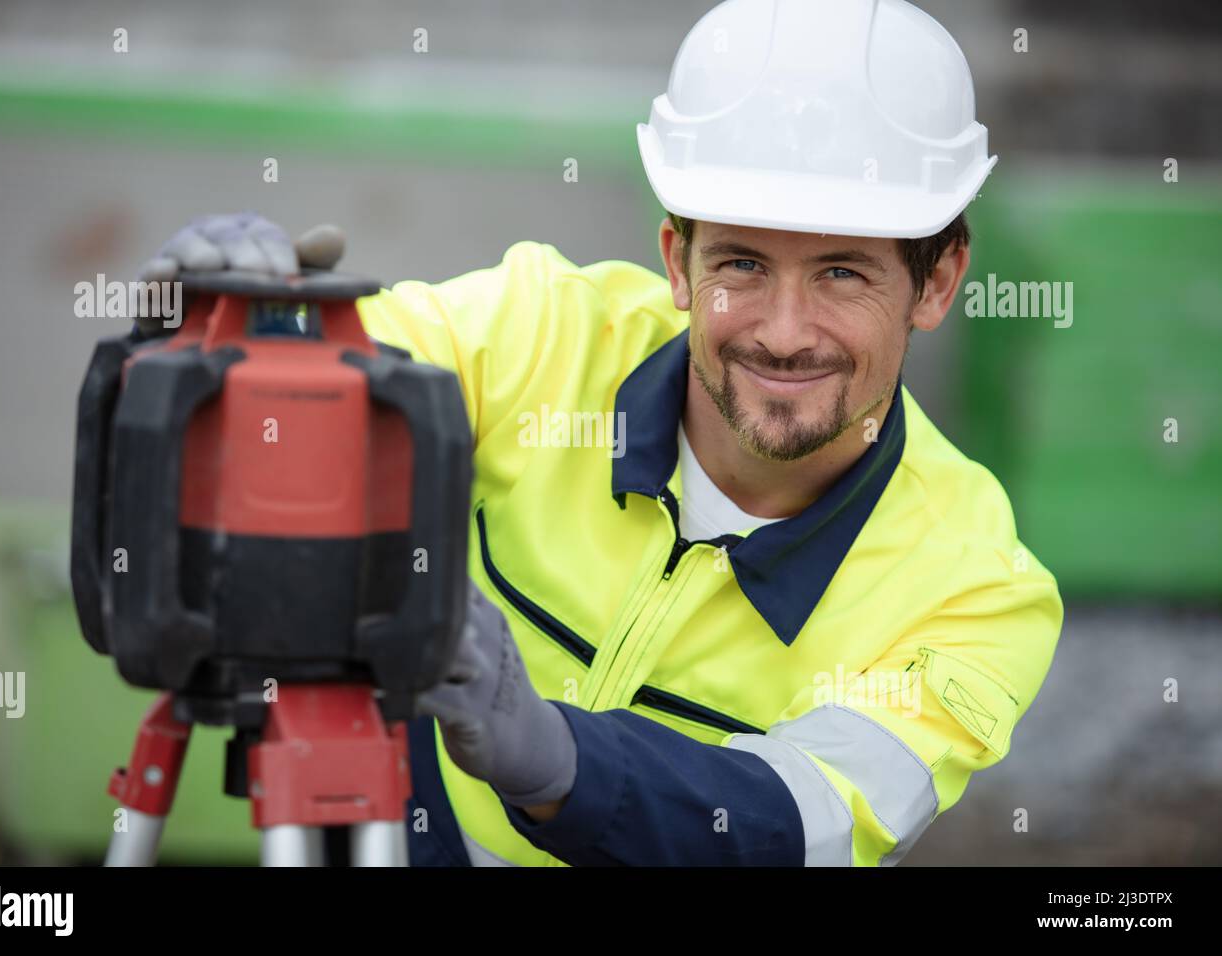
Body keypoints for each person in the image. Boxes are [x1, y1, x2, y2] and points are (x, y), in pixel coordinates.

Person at [135, 0, 1062, 866]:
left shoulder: (976, 592)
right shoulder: (541, 331)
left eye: (843, 276)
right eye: (741, 262)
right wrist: (213, 341)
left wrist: (557, 757)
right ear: (677, 261)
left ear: (936, 283)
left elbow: (801, 821)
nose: (783, 332)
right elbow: (310, 397)